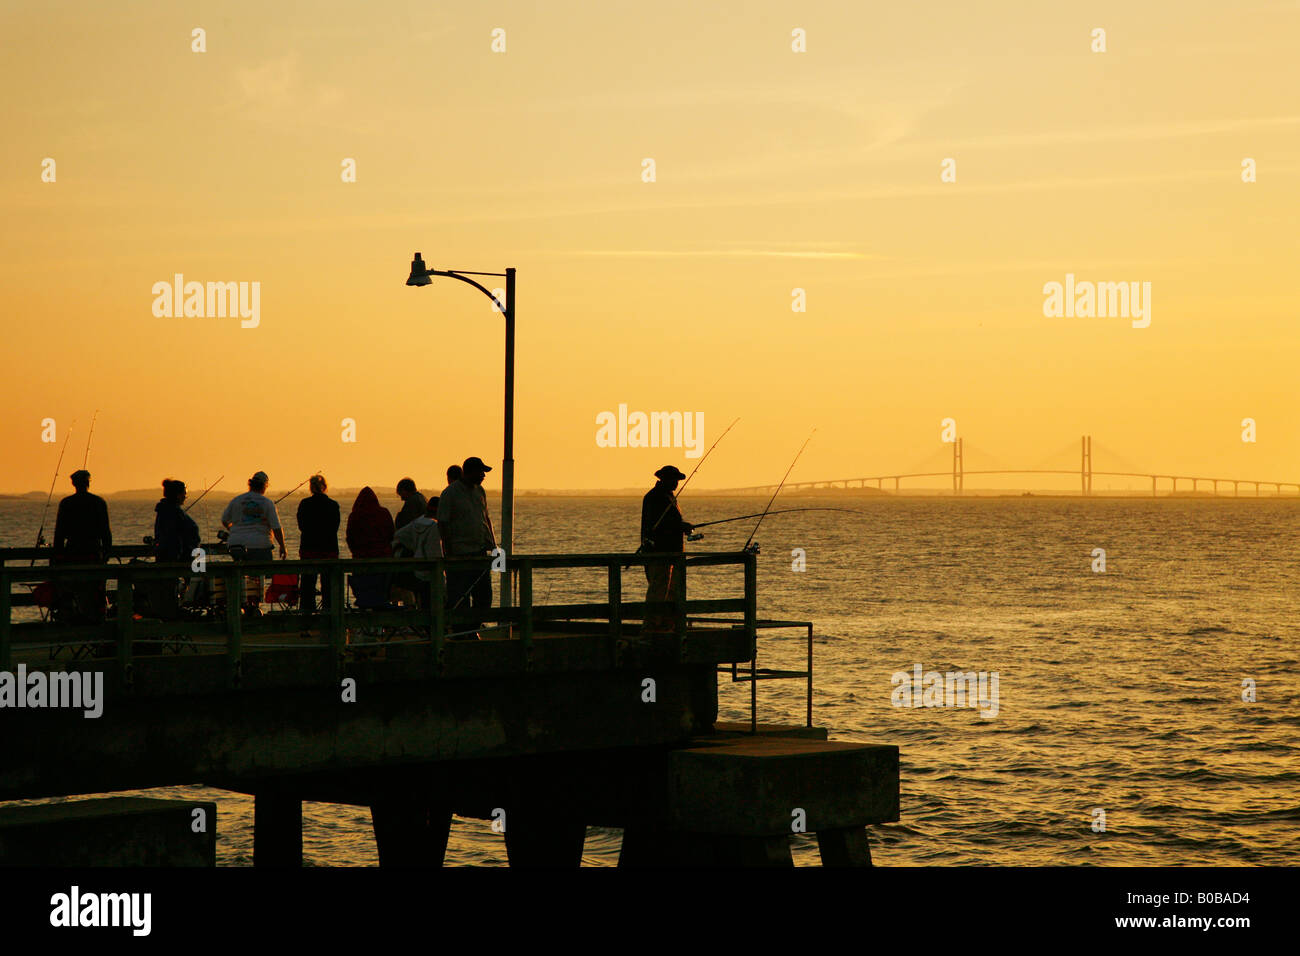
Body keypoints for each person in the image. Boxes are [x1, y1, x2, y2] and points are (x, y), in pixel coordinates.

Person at [437, 457, 496, 638]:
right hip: (459, 554)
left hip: (480, 552)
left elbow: (485, 519)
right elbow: (443, 524)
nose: (483, 476)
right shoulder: (450, 494)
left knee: (484, 596)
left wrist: (493, 546)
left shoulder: (481, 492)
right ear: (469, 472)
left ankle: (472, 628)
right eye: (481, 472)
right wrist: (448, 553)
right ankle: (461, 632)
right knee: (460, 596)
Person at [220, 471, 285, 615]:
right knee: (259, 577)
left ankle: (240, 603)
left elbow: (225, 519)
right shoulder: (267, 503)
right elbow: (276, 527)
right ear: (264, 486)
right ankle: (254, 605)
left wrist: (234, 530)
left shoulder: (237, 500)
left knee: (241, 575)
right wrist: (283, 546)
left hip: (236, 545)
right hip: (259, 545)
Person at [51, 469, 112, 622]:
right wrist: (107, 552)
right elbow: (106, 531)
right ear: (88, 483)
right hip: (93, 553)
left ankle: (75, 617)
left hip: (72, 554)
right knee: (95, 590)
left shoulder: (66, 503)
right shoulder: (98, 502)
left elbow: (59, 533)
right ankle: (97, 619)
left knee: (73, 589)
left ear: (73, 483)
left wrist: (57, 555)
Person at [639, 465, 694, 634]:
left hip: (672, 553)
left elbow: (668, 523)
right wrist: (682, 526)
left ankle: (666, 625)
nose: (677, 483)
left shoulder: (667, 496)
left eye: (677, 480)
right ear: (665, 479)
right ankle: (652, 626)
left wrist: (681, 527)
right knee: (659, 589)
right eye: (674, 480)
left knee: (671, 590)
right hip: (659, 552)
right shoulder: (655, 497)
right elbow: (662, 525)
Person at [148, 479, 201, 619]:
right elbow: (174, 538)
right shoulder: (173, 513)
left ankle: (171, 613)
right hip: (174, 560)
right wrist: (184, 556)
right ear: (178, 495)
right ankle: (172, 616)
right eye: (184, 493)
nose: (185, 496)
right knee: (170, 590)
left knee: (168, 589)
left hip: (169, 558)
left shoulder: (165, 511)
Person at [296, 474, 340, 625]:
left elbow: (301, 526)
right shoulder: (333, 505)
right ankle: (329, 611)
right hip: (329, 548)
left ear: (311, 488)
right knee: (328, 582)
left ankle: (307, 613)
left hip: (309, 548)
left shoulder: (305, 504)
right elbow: (335, 527)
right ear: (325, 487)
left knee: (308, 582)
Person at [346, 486, 394, 608]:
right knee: (381, 597)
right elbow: (391, 534)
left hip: (361, 561)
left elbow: (350, 537)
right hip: (383, 561)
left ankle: (364, 621)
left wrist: (355, 552)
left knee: (364, 596)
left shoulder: (355, 515)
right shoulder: (384, 513)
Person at [392, 496, 443, 608]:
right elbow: (435, 551)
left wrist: (412, 547)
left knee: (421, 599)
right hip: (430, 568)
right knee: (431, 601)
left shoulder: (416, 523)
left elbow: (398, 536)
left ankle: (421, 623)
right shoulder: (435, 527)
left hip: (416, 566)